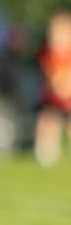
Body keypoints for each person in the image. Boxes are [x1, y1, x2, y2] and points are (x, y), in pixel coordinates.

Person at [35, 10, 71, 169]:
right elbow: (48, 71)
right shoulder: (48, 54)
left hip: (69, 99)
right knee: (47, 121)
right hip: (52, 99)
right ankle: (46, 152)